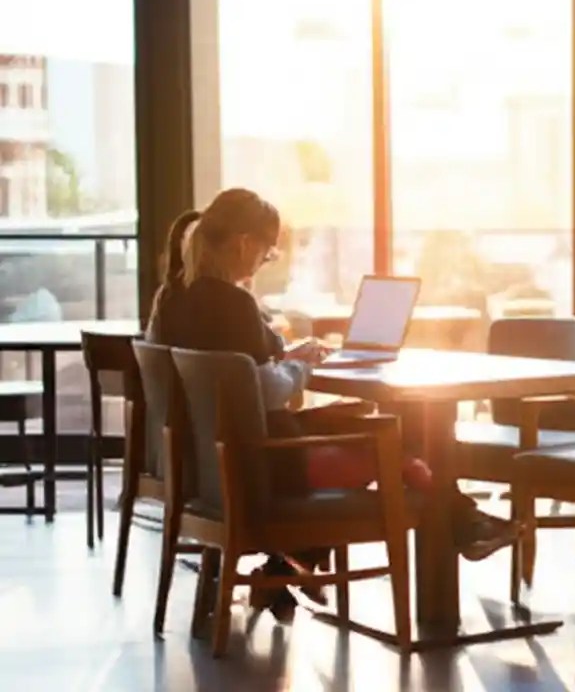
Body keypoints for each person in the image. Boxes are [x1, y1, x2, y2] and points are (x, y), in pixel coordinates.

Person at [146, 188, 519, 619]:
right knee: (398, 441)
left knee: (360, 420)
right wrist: (299, 369)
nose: (263, 264)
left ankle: (292, 568)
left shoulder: (172, 300)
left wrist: (283, 361)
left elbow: (236, 376)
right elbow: (262, 388)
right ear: (244, 243)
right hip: (267, 466)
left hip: (214, 465)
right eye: (266, 254)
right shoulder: (232, 304)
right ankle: (462, 527)